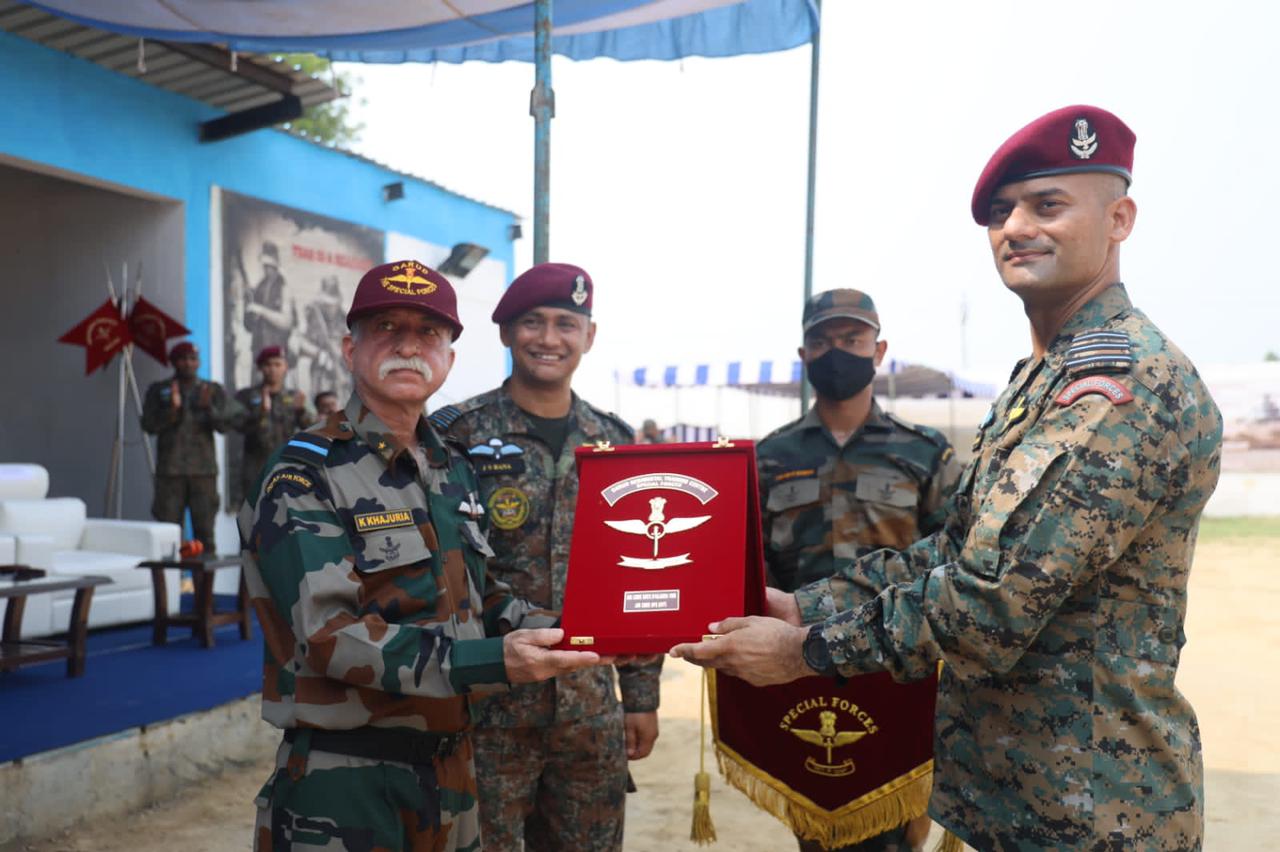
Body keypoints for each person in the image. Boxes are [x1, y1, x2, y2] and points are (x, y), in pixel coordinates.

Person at [672, 105, 1223, 850]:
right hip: (1023, 798)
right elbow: (957, 550)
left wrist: (804, 654)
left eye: (1047, 205)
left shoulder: (1120, 384)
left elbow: (995, 599)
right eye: (1002, 211)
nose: (1017, 227)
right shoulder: (1046, 378)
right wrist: (802, 605)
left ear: (1119, 218)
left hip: (1095, 810)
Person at [238, 259, 609, 851]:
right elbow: (332, 637)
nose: (409, 347)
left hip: (452, 775)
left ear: (449, 359)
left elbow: (481, 598)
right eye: (387, 328)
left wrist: (583, 633)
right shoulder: (304, 473)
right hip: (348, 782)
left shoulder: (451, 465)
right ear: (349, 348)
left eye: (429, 333)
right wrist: (495, 661)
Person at [432, 263, 662, 852]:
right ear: (506, 333)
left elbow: (639, 574)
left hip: (589, 710)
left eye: (566, 323)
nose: (549, 338)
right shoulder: (455, 436)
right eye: (532, 322)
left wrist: (639, 696)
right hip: (485, 707)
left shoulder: (616, 443)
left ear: (590, 335)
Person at [759, 288, 960, 852]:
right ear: (803, 355)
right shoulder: (769, 456)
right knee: (818, 824)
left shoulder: (924, 452)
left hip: (900, 670)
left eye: (851, 340)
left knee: (895, 830)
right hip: (803, 667)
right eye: (821, 342)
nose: (836, 352)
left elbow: (954, 555)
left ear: (879, 349)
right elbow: (755, 571)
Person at [141, 340, 239, 552]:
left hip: (203, 474)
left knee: (205, 536)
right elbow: (148, 425)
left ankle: (205, 586)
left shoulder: (212, 390)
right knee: (167, 535)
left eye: (193, 359)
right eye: (183, 359)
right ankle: (168, 585)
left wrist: (209, 407)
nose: (188, 363)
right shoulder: (159, 391)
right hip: (170, 474)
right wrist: (172, 410)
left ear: (198, 363)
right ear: (174, 362)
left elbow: (225, 425)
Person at [232, 345, 311, 506]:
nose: (273, 369)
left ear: (285, 367)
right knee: (255, 519)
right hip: (255, 468)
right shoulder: (246, 396)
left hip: (287, 468)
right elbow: (237, 425)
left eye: (277, 364)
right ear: (260, 368)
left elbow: (312, 428)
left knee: (287, 519)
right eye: (268, 365)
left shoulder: (295, 396)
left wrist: (301, 411)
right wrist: (260, 412)